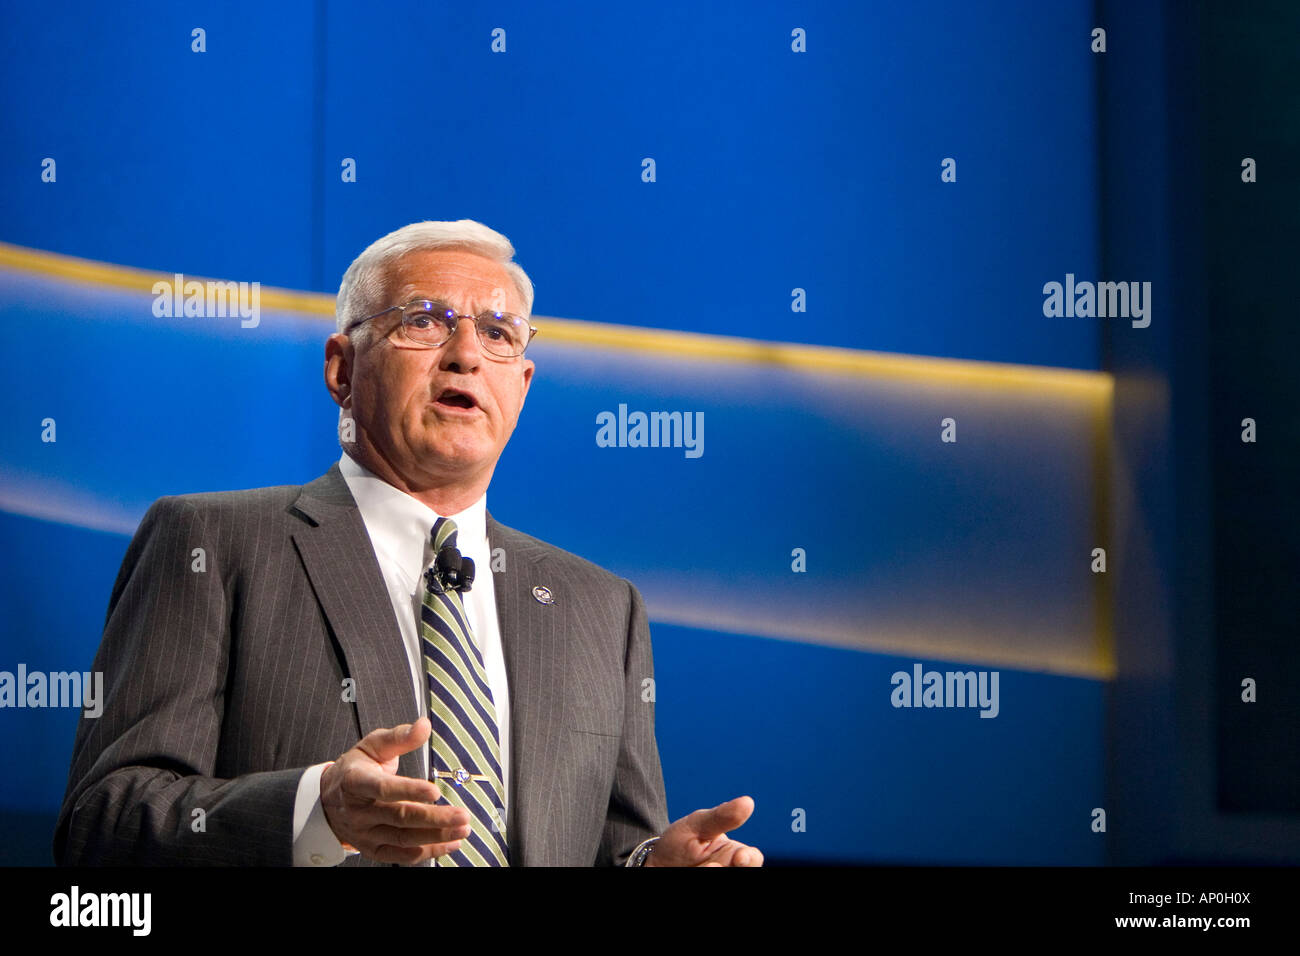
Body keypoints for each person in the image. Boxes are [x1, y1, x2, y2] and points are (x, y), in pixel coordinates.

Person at [54, 219, 762, 867]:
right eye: (424, 322)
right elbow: (102, 822)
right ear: (341, 369)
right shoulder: (212, 543)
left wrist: (651, 865)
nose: (465, 357)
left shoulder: (602, 607)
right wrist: (317, 811)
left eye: (497, 333)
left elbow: (609, 844)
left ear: (522, 384)